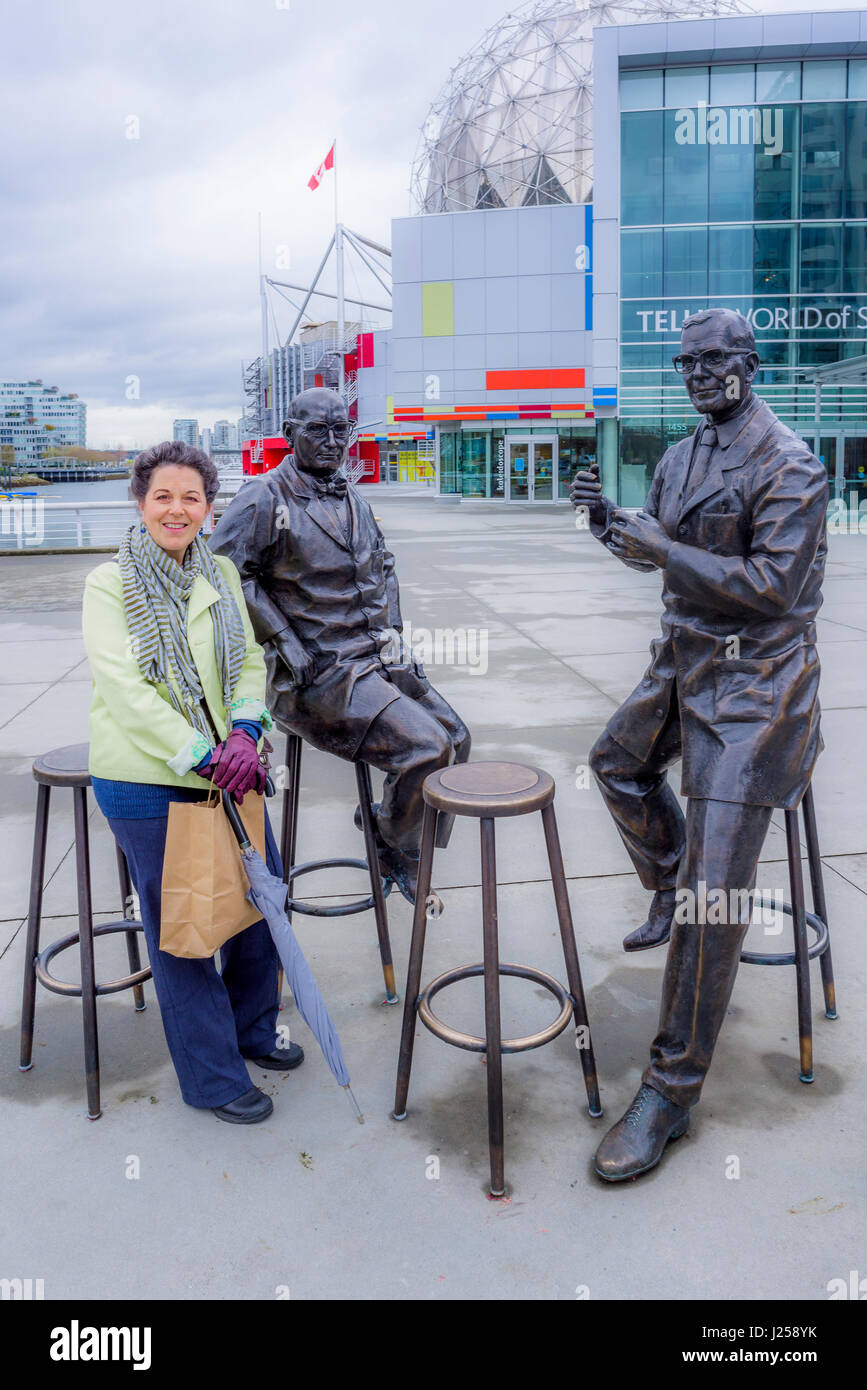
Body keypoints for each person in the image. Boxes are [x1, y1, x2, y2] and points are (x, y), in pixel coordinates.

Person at [571, 308, 828, 1180]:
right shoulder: (681, 456)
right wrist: (612, 527)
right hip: (686, 661)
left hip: (758, 684)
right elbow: (658, 554)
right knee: (614, 765)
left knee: (716, 892)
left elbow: (771, 588)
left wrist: (661, 550)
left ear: (748, 365)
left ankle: (671, 1090)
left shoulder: (790, 462)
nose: (695, 374)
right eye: (684, 363)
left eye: (710, 361)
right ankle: (666, 885)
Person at [82, 440, 303, 1125]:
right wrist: (201, 755)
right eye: (163, 496)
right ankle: (211, 1078)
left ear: (209, 509)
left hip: (229, 766)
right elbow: (126, 691)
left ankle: (252, 1031)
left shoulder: (221, 575)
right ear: (141, 503)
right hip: (148, 777)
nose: (177, 509)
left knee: (258, 905)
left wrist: (243, 734)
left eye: (192, 498)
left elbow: (247, 665)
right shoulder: (109, 582)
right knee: (183, 931)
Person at [210, 387, 471, 904]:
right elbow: (224, 573)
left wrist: (393, 633)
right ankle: (399, 850)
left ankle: (393, 833)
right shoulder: (264, 497)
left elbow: (386, 566)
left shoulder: (353, 495)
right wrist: (283, 638)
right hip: (318, 675)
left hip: (376, 657)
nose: (332, 442)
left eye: (340, 431)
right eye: (317, 431)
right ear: (290, 434)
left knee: (458, 740)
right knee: (428, 749)